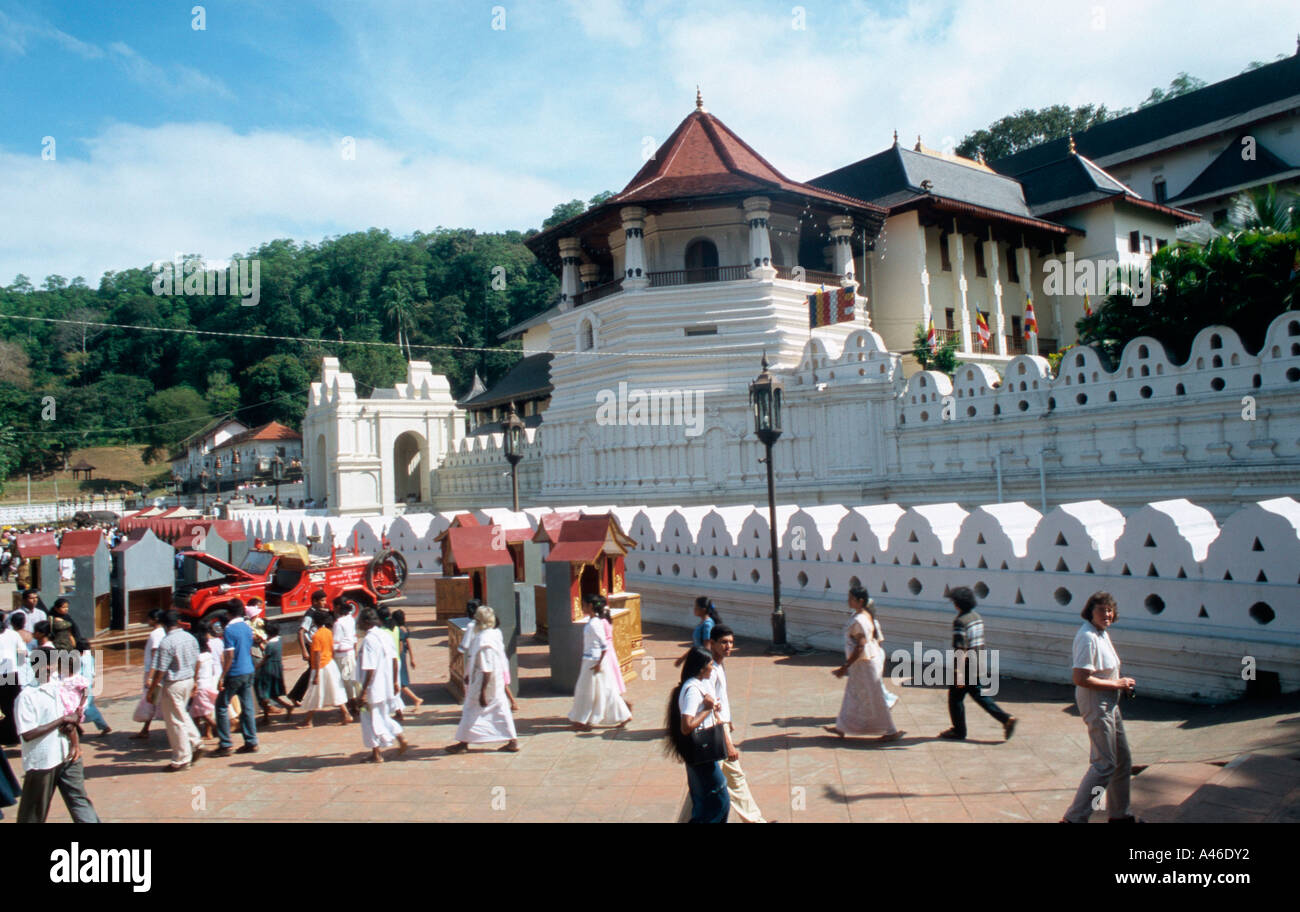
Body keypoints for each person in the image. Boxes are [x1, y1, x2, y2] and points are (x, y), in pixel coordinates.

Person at [1062, 592, 1139, 823]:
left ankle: (1119, 814)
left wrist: (1120, 683)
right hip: (1097, 703)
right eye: (1101, 610)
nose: (1106, 614)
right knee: (1104, 764)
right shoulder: (1087, 637)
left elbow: (1104, 670)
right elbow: (1080, 677)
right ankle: (1074, 818)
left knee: (1122, 760)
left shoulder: (1102, 634)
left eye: (1109, 610)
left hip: (1110, 703)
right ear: (1090, 612)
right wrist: (1117, 683)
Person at [15, 646, 99, 822]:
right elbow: (28, 734)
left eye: (53, 664)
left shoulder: (60, 685)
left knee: (79, 800)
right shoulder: (27, 697)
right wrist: (61, 721)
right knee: (34, 812)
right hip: (43, 761)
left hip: (67, 755)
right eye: (49, 664)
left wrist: (74, 720)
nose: (52, 667)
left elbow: (76, 707)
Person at [704, 625, 765, 823]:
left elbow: (720, 701)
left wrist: (728, 721)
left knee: (717, 782)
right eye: (723, 642)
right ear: (712, 644)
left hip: (719, 730)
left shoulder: (718, 665)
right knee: (729, 780)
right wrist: (727, 742)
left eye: (730, 642)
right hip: (713, 733)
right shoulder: (710, 670)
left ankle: (755, 820)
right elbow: (710, 708)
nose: (728, 646)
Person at [826, 585, 903, 741]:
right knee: (853, 695)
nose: (848, 601)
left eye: (851, 599)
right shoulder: (865, 615)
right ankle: (842, 727)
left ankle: (890, 731)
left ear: (860, 601)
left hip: (865, 664)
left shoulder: (860, 620)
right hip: (864, 663)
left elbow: (860, 646)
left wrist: (845, 666)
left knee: (874, 699)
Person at [939, 587, 1016, 741]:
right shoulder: (976, 617)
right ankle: (1005, 719)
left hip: (966, 666)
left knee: (955, 697)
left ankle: (959, 730)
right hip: (978, 662)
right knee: (978, 694)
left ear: (958, 603)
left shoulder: (960, 621)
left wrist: (958, 673)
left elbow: (961, 649)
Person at [664, 646, 729, 823]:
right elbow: (686, 726)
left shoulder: (694, 685)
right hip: (702, 752)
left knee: (702, 803)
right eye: (710, 664)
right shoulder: (693, 689)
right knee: (719, 800)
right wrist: (707, 710)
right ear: (701, 667)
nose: (713, 668)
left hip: (697, 752)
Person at [447, 605, 518, 753]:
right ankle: (512, 741)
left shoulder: (484, 640)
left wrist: (482, 693)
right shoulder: (493, 634)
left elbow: (486, 669)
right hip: (494, 679)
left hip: (486, 681)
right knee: (500, 709)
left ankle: (463, 743)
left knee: (471, 709)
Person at [146, 610, 204, 771]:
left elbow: (161, 669)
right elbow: (198, 660)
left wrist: (152, 689)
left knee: (174, 721)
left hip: (174, 684)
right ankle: (196, 741)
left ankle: (182, 758)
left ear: (164, 625)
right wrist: (195, 681)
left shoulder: (167, 642)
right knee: (181, 713)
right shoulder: (189, 637)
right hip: (188, 680)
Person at [568, 593, 631, 731]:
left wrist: (598, 663)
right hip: (591, 660)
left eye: (584, 605)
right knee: (603, 690)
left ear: (590, 606)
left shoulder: (595, 624)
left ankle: (582, 720)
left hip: (594, 661)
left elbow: (604, 646)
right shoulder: (593, 622)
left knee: (585, 690)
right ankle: (622, 714)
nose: (582, 607)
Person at [357, 607, 409, 762]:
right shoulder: (385, 635)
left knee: (369, 719)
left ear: (366, 622)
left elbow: (370, 668)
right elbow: (395, 659)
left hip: (373, 687)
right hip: (385, 685)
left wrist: (364, 691)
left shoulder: (369, 640)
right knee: (381, 716)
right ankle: (399, 737)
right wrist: (394, 681)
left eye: (360, 621)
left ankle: (376, 754)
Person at [213, 601, 259, 756]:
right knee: (247, 707)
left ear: (228, 613)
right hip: (248, 670)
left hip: (235, 672)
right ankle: (251, 741)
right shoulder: (247, 627)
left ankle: (225, 744)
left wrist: (222, 676)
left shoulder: (229, 630)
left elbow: (230, 655)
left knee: (221, 706)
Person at [299, 611, 352, 727]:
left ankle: (308, 721)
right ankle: (346, 714)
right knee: (335, 691)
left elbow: (317, 655)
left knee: (314, 693)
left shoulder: (317, 636)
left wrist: (317, 674)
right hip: (330, 664)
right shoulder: (328, 632)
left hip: (321, 666)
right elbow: (332, 649)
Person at [130, 608, 167, 740]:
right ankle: (145, 729)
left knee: (151, 699)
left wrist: (150, 677)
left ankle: (146, 729)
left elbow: (155, 656)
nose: (147, 621)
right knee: (154, 700)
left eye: (149, 618)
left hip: (153, 672)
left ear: (155, 620)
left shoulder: (155, 634)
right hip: (157, 672)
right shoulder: (163, 632)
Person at [287, 592, 325, 709]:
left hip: (317, 646)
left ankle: (296, 695)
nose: (324, 603)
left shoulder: (318, 613)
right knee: (313, 671)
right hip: (312, 647)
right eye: (322, 600)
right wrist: (304, 650)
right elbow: (301, 632)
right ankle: (296, 695)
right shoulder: (310, 615)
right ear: (315, 601)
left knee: (313, 670)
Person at [254, 621, 294, 721]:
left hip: (268, 670)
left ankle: (266, 717)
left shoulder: (270, 645)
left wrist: (256, 668)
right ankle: (285, 708)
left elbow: (265, 658)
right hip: (276, 668)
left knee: (264, 694)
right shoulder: (279, 640)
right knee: (273, 694)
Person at [0, 614, 29, 745]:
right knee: (13, 705)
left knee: (3, 706)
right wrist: (20, 666)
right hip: (11, 672)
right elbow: (23, 652)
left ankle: (4, 735)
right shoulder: (13, 634)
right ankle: (14, 735)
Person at [75, 638, 111, 737]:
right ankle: (102, 726)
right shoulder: (90, 657)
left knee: (83, 707)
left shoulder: (81, 659)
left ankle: (77, 728)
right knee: (88, 706)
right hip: (89, 684)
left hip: (83, 686)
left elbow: (79, 673)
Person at [190, 623, 220, 739]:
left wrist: (193, 685)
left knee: (203, 713)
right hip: (209, 684)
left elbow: (195, 674)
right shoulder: (209, 655)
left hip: (200, 686)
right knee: (198, 711)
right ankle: (201, 733)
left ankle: (218, 729)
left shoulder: (199, 658)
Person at [674, 596, 720, 667]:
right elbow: (696, 646)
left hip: (703, 662)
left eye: (696, 607)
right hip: (698, 659)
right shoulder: (702, 623)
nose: (694, 609)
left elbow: (707, 647)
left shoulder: (707, 625)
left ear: (703, 610)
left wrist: (704, 665)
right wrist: (682, 659)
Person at [332, 599, 360, 714]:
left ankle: (353, 706)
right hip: (351, 652)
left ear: (338, 608)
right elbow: (354, 637)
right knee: (352, 679)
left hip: (342, 654)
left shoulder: (338, 623)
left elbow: (336, 642)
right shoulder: (351, 619)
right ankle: (356, 703)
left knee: (346, 681)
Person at [390, 609, 423, 708]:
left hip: (399, 657)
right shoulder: (404, 629)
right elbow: (408, 644)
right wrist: (412, 658)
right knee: (400, 680)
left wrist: (397, 656)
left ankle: (416, 699)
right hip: (403, 656)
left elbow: (400, 645)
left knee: (399, 681)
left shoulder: (397, 631)